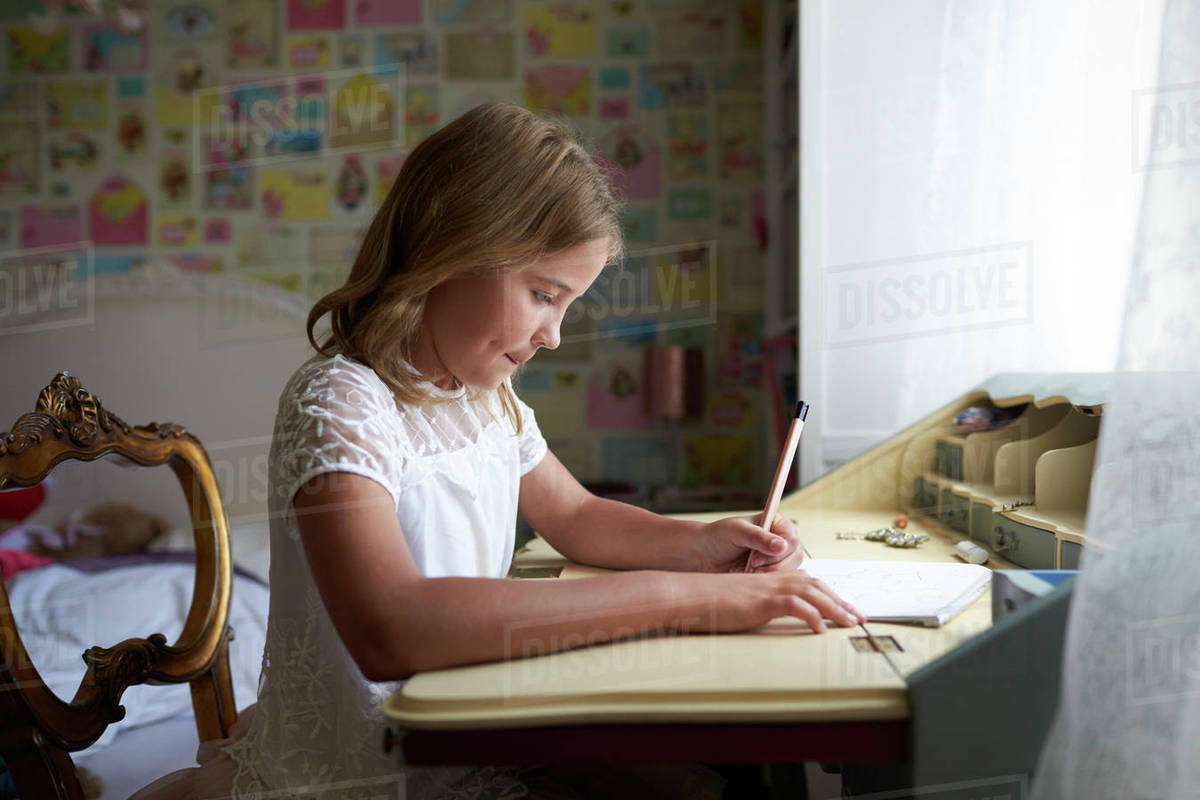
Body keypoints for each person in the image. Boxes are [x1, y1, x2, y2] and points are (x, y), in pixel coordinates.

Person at [133, 102, 864, 800]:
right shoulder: (341, 402)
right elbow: (390, 627)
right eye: (545, 295)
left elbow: (575, 515)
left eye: (567, 304)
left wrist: (699, 545)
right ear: (451, 248)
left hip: (467, 737)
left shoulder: (485, 401)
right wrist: (685, 600)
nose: (554, 335)